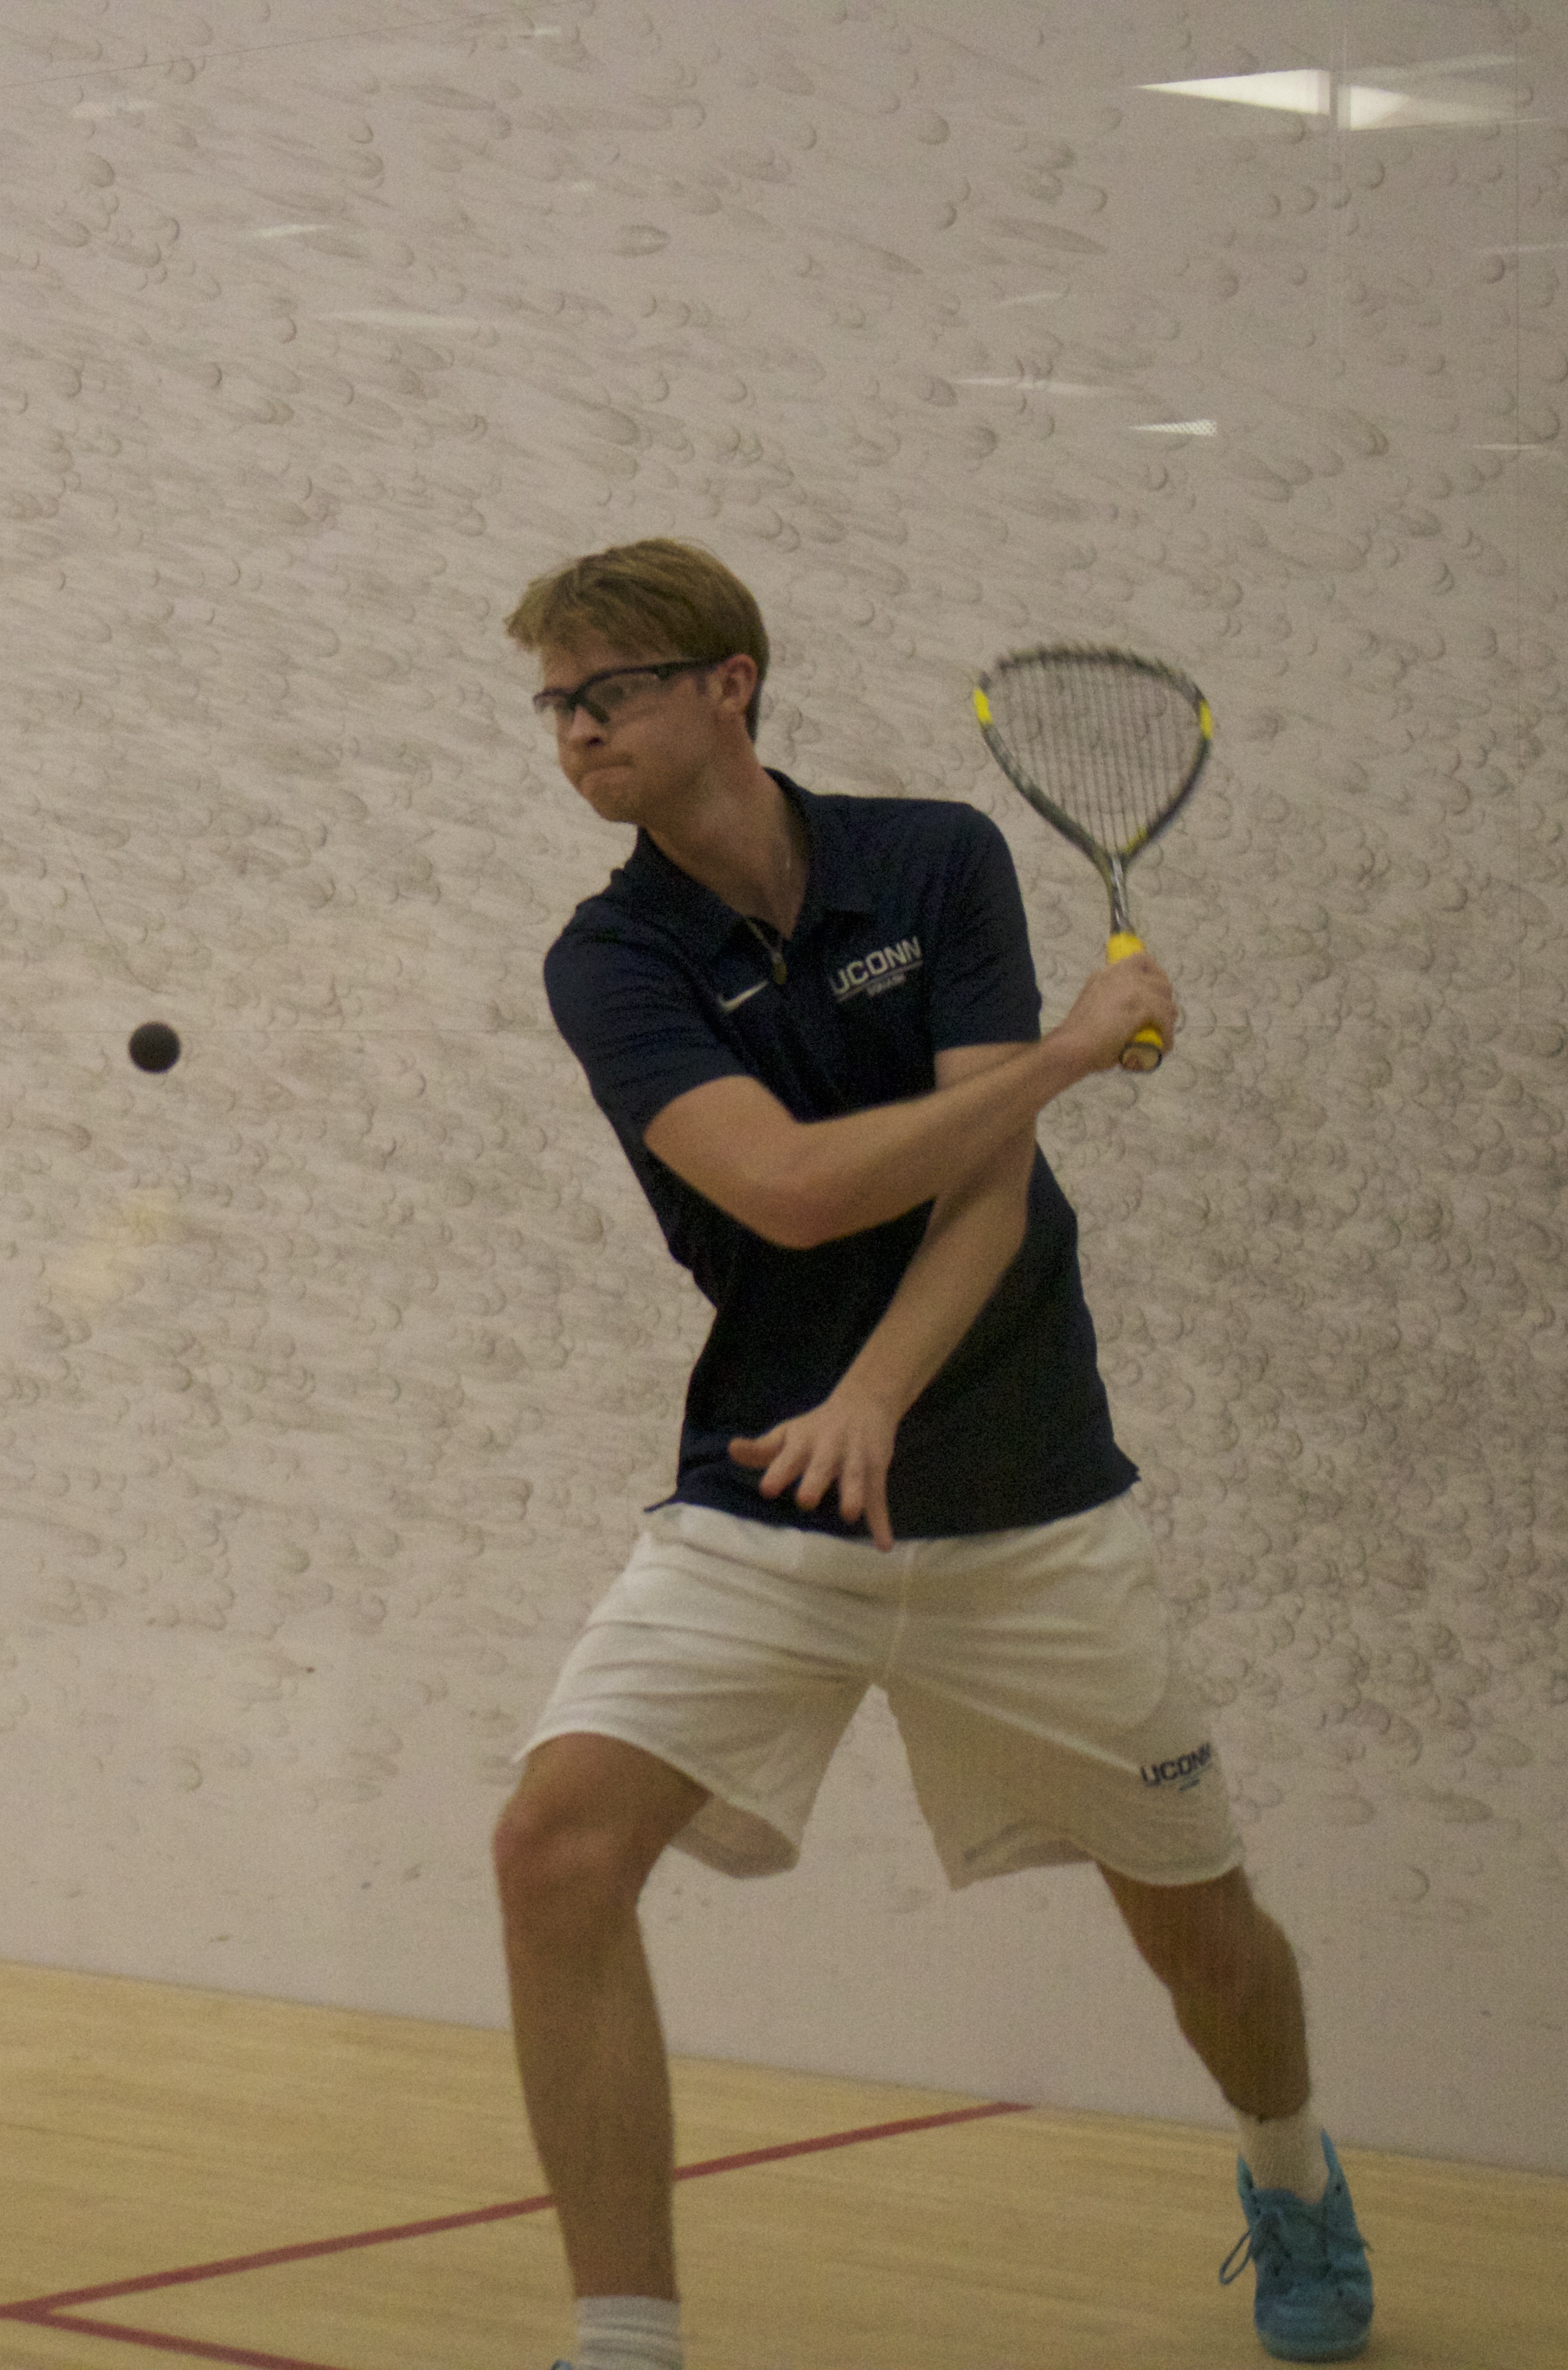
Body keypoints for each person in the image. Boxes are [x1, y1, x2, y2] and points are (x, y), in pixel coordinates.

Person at [490, 540, 1373, 2369]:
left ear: (730, 682)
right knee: (554, 1852)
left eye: (609, 693)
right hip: (776, 1491)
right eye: (554, 709)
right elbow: (796, 1194)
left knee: (1206, 1933)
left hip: (1031, 1509)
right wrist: (1064, 1059)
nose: (574, 735)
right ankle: (625, 2341)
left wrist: (887, 1391)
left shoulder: (933, 857)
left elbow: (982, 1193)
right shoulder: (612, 957)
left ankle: (1292, 2175)